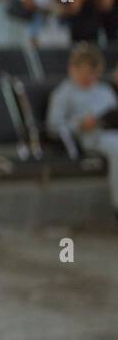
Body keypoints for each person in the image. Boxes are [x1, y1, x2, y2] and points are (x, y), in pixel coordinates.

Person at [46, 43, 118, 221]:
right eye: (85, 73)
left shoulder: (105, 91)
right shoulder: (64, 93)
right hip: (91, 137)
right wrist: (79, 124)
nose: (89, 78)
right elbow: (53, 126)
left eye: (93, 74)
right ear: (74, 69)